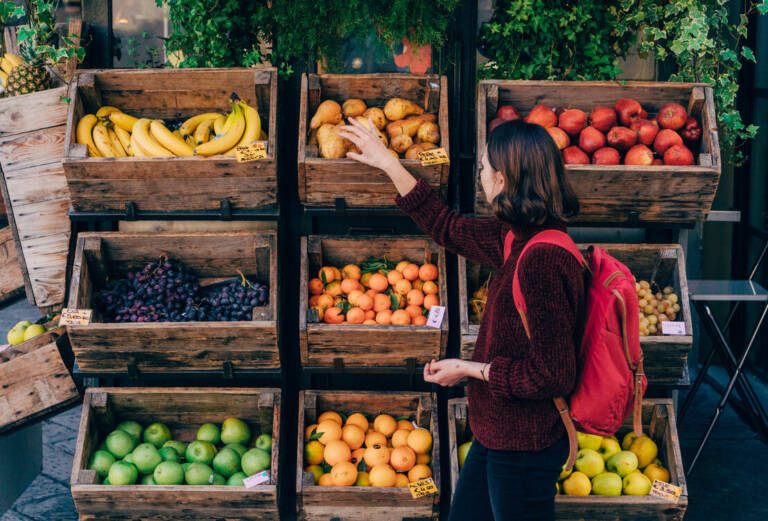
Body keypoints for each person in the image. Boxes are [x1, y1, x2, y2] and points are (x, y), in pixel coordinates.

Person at [338, 118, 585, 521]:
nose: (481, 177)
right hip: (498, 433)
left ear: (503, 179)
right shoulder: (516, 237)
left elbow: (553, 375)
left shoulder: (542, 259)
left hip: (525, 446)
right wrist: (387, 163)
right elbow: (446, 227)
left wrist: (469, 369)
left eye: (484, 169)